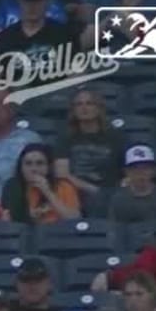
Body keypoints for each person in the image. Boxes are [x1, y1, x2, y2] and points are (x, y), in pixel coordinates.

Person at [53, 89, 126, 218]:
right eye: (79, 104)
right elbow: (62, 174)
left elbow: (127, 172)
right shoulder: (65, 138)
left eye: (89, 103)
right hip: (75, 192)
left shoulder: (115, 137)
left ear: (99, 108)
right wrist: (92, 189)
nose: (84, 108)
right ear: (73, 110)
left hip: (109, 193)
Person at [0, 142, 80, 224]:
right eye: (28, 164)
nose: (34, 169)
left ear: (48, 167)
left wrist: (47, 192)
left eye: (39, 163)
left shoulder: (64, 186)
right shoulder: (12, 186)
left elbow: (75, 219)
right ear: (21, 167)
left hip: (58, 230)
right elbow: (8, 219)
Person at [108, 145, 156, 225]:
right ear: (127, 172)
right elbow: (114, 228)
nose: (140, 173)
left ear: (153, 170)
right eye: (135, 169)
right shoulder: (119, 199)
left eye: (145, 168)